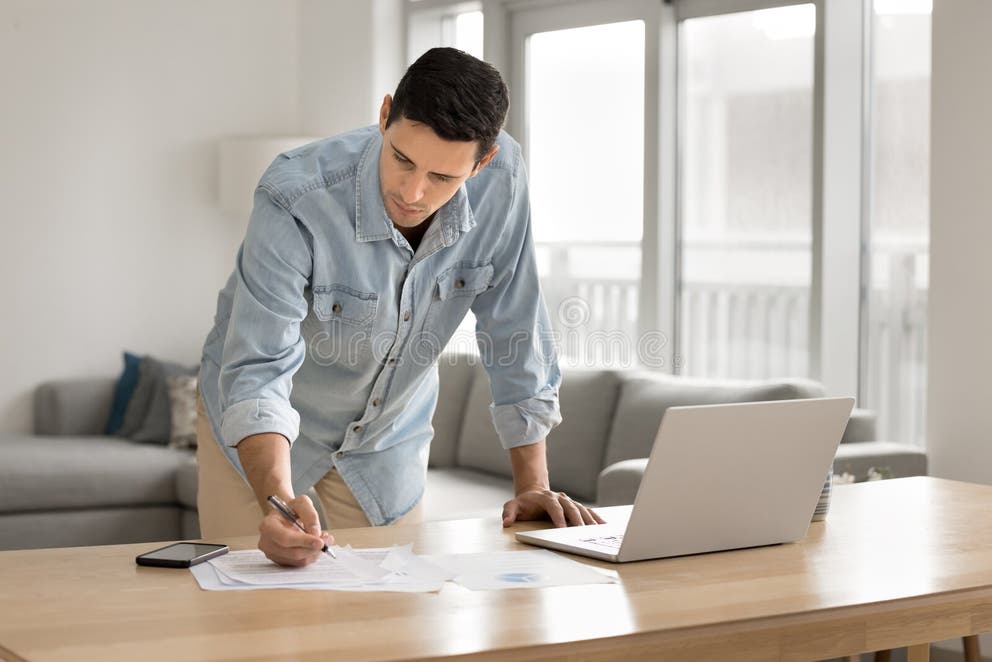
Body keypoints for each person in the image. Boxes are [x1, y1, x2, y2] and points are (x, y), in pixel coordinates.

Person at [196, 47, 603, 567]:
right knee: (254, 621)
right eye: (403, 159)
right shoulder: (295, 195)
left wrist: (533, 486)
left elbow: (515, 326)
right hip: (260, 433)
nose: (413, 192)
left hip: (386, 440)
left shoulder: (504, 183)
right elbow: (257, 368)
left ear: (484, 162)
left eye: (443, 178)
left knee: (392, 622)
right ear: (385, 114)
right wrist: (276, 499)